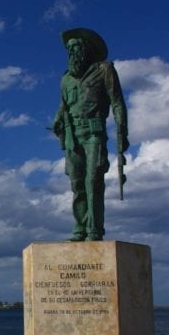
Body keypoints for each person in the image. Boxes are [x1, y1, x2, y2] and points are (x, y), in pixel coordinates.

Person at [52, 28, 128, 241]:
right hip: (72, 135)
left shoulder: (104, 70)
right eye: (69, 49)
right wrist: (58, 119)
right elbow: (64, 105)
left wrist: (122, 130)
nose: (71, 53)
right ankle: (80, 228)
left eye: (75, 48)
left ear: (86, 49)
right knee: (77, 182)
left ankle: (94, 229)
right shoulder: (66, 79)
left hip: (94, 132)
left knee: (93, 180)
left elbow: (117, 102)